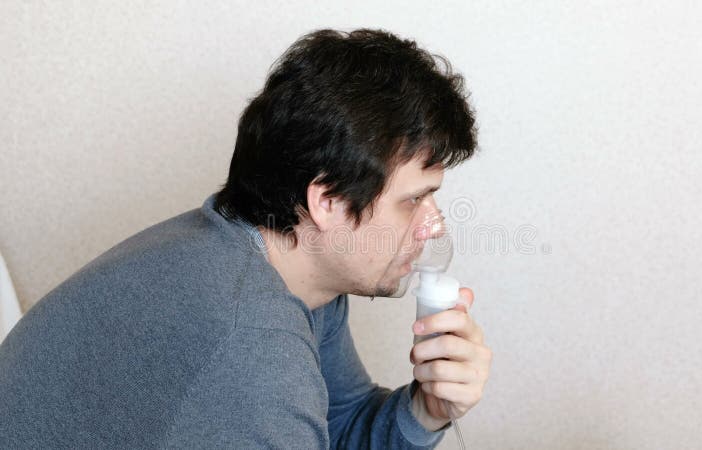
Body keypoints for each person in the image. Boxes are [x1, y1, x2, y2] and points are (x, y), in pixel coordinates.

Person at [0, 28, 491, 449]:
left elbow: (336, 426)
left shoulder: (286, 274)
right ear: (327, 201)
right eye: (413, 200)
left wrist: (426, 408)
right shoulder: (250, 345)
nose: (435, 225)